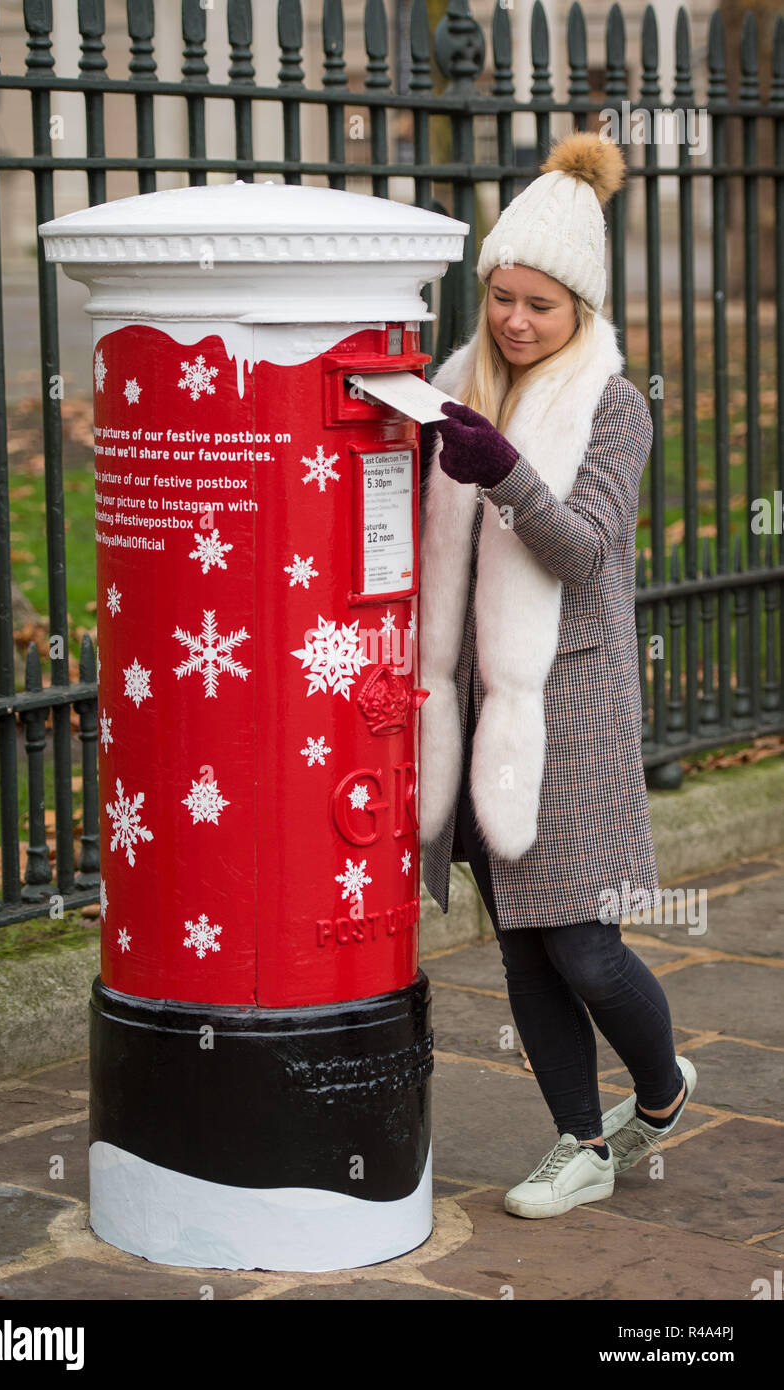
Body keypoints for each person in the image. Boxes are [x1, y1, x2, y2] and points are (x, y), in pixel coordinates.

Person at [418, 130, 697, 1219]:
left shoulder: (613, 406)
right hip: (472, 709)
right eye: (501, 297)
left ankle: (660, 1092)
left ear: (579, 308)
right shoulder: (453, 388)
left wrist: (503, 474)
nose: (515, 321)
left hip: (568, 710)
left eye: (539, 304)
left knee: (583, 945)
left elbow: (581, 550)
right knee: (522, 951)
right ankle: (579, 1143)